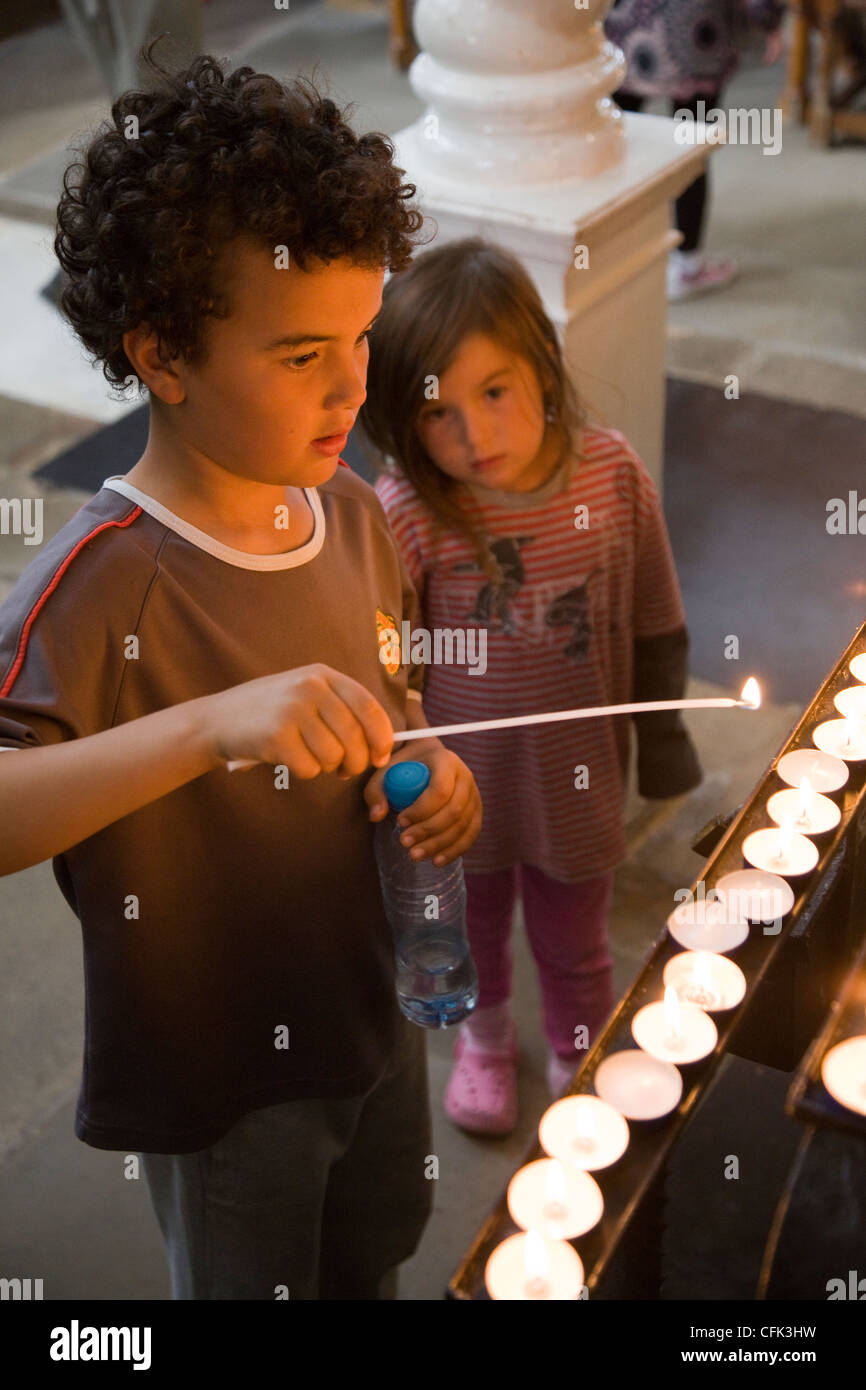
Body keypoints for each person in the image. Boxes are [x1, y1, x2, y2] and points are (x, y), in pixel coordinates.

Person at [0, 44, 482, 1300]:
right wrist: (211, 726)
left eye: (363, 337)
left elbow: (395, 709)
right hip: (223, 1075)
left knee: (370, 1255)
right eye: (297, 354)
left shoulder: (359, 519)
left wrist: (430, 771)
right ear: (162, 354)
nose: (350, 387)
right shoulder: (105, 581)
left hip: (370, 1010)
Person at [361, 237, 702, 1136]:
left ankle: (577, 1047)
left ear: (542, 366)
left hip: (576, 776)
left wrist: (665, 744)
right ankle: (484, 1043)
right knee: (469, 931)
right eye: (439, 415)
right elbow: (389, 665)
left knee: (576, 940)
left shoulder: (613, 473)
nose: (474, 436)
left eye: (495, 392)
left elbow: (656, 618)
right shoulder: (410, 511)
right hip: (457, 792)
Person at [605, 0, 786, 301]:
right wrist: (768, 20)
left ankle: (605, 251)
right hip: (697, 30)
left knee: (614, 137)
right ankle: (686, 266)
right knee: (690, 147)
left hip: (626, 25)